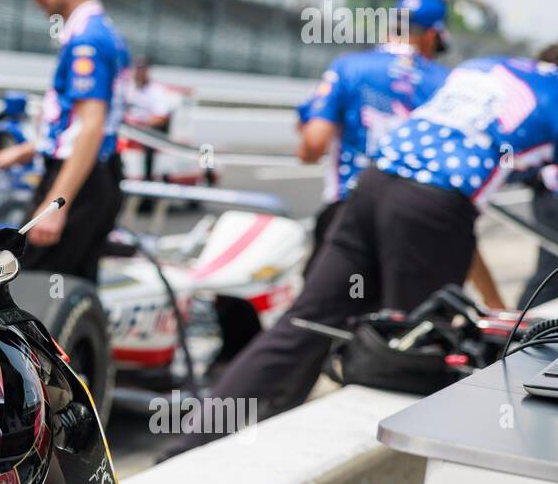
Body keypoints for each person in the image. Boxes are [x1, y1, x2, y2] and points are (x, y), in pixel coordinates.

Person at [164, 53, 558, 456]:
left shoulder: (483, 66)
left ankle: (183, 447)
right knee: (416, 351)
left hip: (374, 182)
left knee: (301, 325)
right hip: (436, 206)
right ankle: (384, 476)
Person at [0, 0, 126, 283]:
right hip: (91, 177)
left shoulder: (87, 41)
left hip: (78, 181)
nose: (38, 0)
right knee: (68, 288)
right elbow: (80, 124)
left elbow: (91, 127)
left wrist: (55, 206)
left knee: (29, 285)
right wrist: (28, 149)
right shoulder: (96, 31)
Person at [295, 0, 450, 274]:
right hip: (415, 217)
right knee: (403, 313)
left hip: (349, 209)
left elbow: (313, 145)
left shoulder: (349, 67)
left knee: (321, 309)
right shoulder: (446, 83)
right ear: (432, 35)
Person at [518, 42, 558, 306]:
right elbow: (512, 156)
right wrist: (543, 173)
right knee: (551, 270)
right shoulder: (536, 105)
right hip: (549, 197)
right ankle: (519, 334)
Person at [123, 57, 175, 181]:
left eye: (142, 69)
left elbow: (161, 117)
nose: (139, 72)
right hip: (127, 127)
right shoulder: (127, 87)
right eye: (137, 68)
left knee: (149, 140)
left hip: (146, 129)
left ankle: (147, 177)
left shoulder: (156, 91)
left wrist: (141, 125)